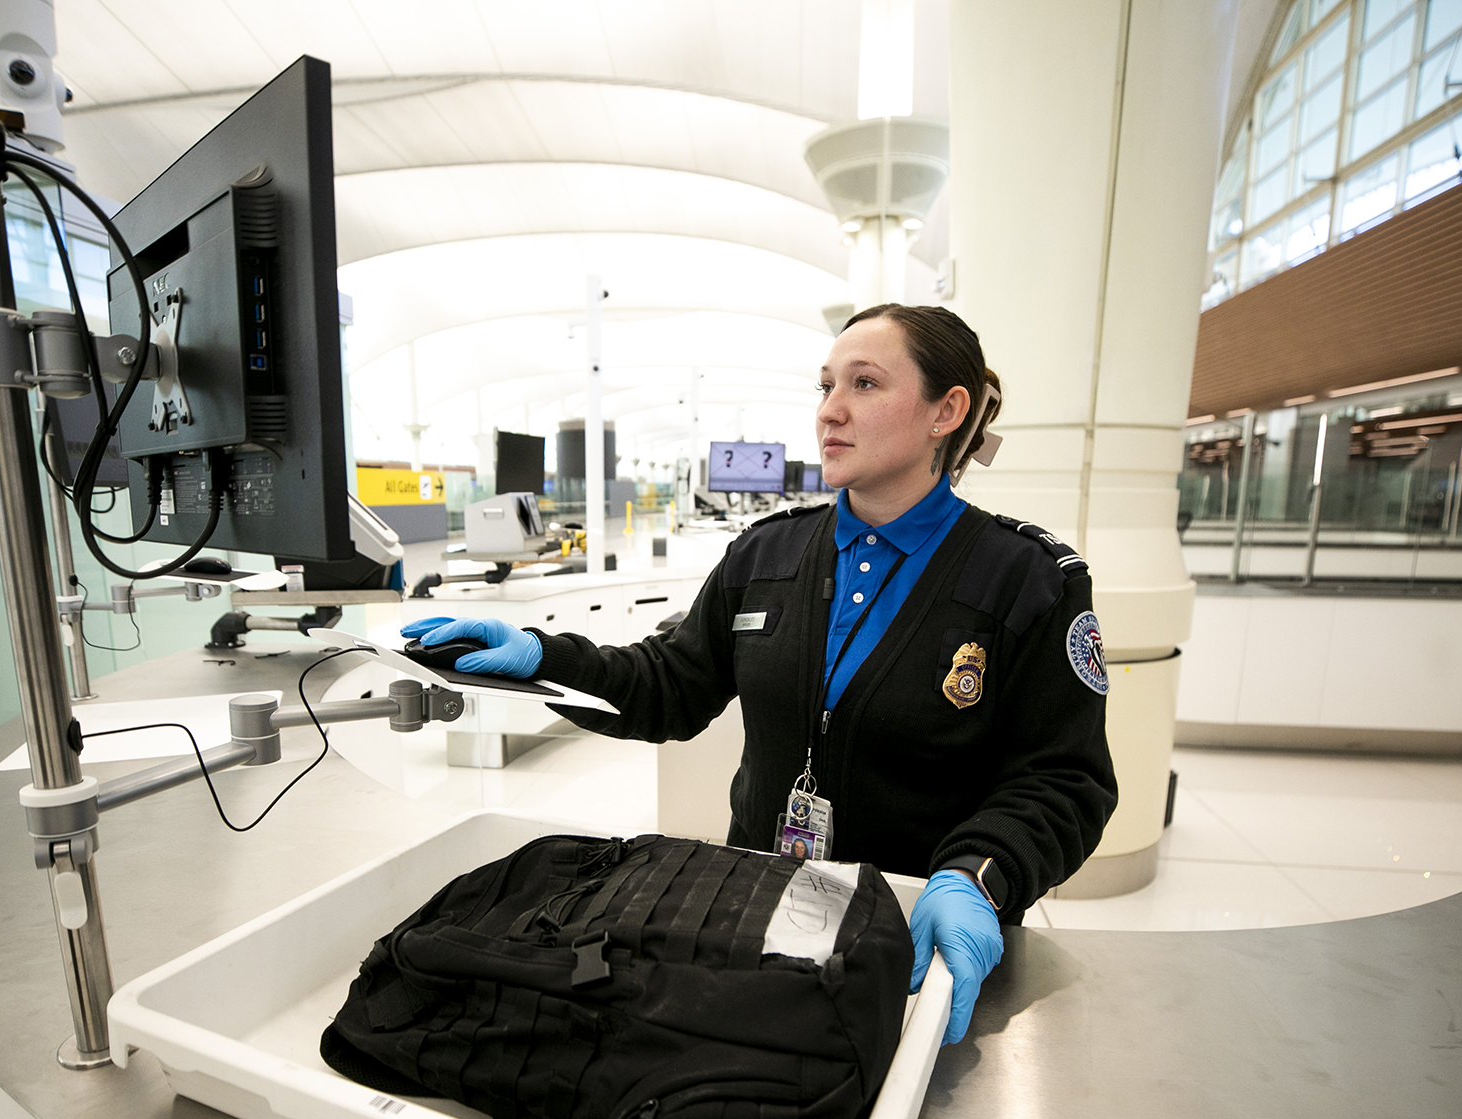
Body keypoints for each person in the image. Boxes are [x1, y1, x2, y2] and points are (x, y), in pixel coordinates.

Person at [403, 304, 1117, 1044]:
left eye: (865, 383)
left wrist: (978, 875)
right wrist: (544, 656)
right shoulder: (766, 556)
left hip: (915, 941)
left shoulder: (1026, 581)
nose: (830, 410)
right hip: (759, 915)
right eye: (826, 386)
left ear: (947, 411)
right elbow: (668, 685)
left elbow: (1064, 778)